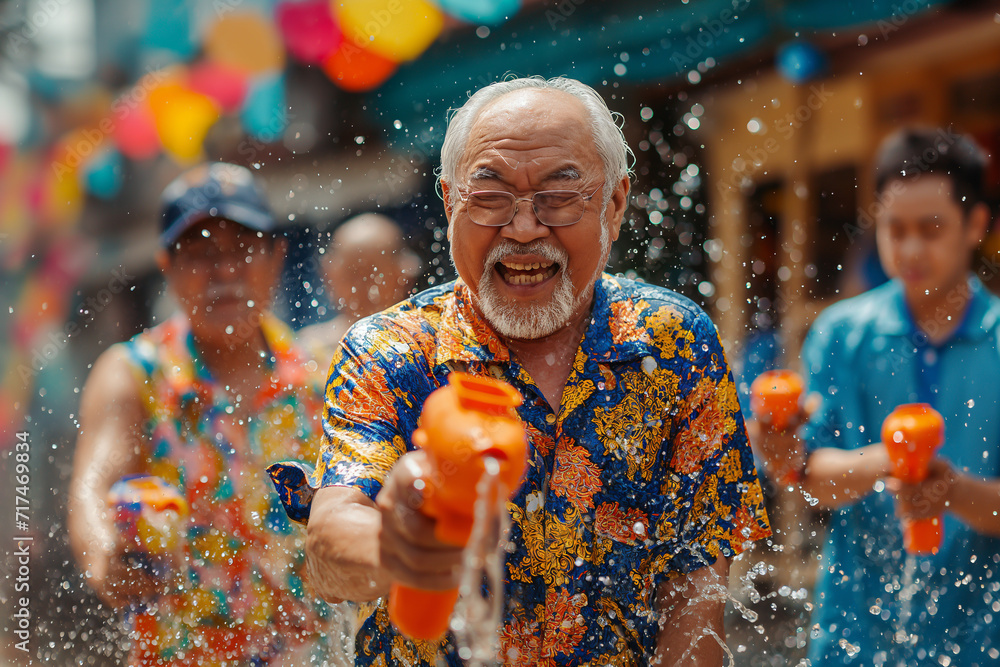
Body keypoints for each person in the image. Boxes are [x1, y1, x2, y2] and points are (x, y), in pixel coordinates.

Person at [269, 76, 770, 665]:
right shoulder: (390, 351)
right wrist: (396, 544)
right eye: (490, 196)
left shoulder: (677, 345)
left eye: (560, 196)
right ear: (451, 201)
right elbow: (329, 548)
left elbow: (696, 593)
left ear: (613, 204)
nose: (525, 228)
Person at [67, 163, 333, 666]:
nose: (225, 270)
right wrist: (103, 553)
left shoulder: (322, 376)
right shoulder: (134, 374)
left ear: (276, 257)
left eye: (242, 250)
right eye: (202, 253)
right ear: (166, 265)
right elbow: (93, 488)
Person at [752, 128, 1000, 666]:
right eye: (895, 228)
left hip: (984, 638)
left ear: (976, 225)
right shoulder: (841, 335)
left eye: (931, 229)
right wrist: (790, 458)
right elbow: (811, 475)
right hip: (856, 636)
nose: (910, 249)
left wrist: (954, 492)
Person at [298, 213, 420, 365]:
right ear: (329, 277)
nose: (363, 289)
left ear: (404, 277)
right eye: (351, 275)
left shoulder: (425, 344)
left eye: (374, 275)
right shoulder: (309, 352)